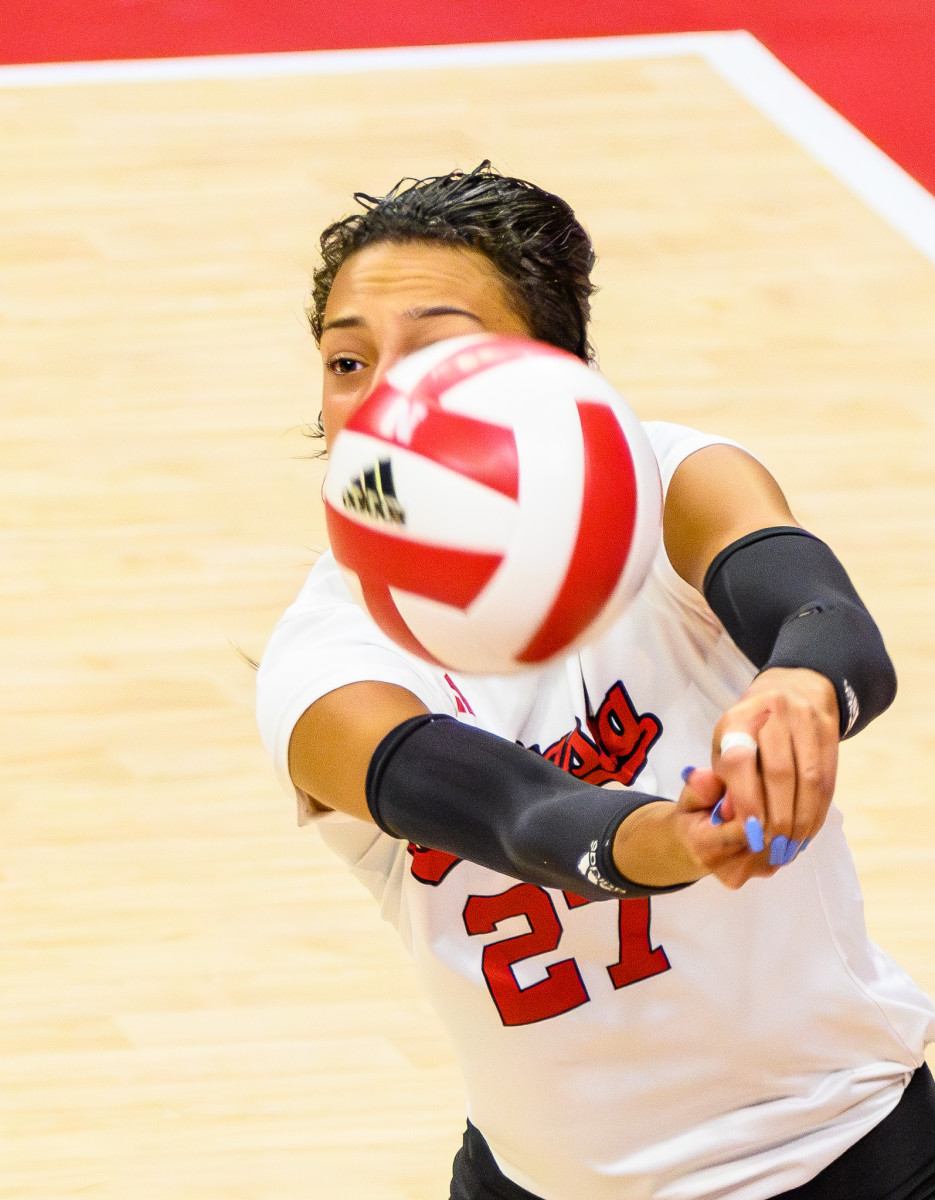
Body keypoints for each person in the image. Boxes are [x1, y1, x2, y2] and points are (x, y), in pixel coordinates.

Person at [256, 163, 935, 1199]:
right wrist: (675, 838)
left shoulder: (671, 483)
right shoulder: (322, 667)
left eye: (436, 353)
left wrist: (799, 686)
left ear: (553, 370)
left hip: (852, 1153)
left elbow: (828, 626)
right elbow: (524, 817)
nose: (381, 398)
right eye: (348, 361)